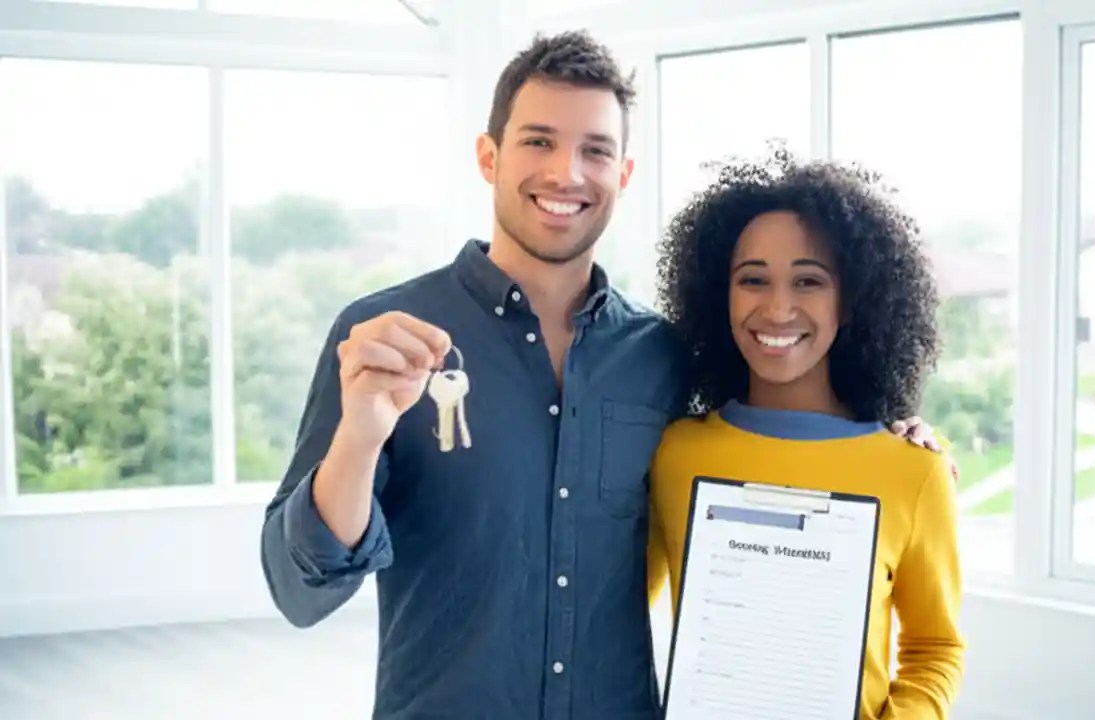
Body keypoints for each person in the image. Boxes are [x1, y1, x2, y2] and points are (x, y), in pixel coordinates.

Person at [259, 31, 941, 719]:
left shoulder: (665, 356)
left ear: (624, 173)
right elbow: (299, 590)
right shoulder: (383, 340)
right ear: (488, 157)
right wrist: (361, 436)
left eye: (595, 150)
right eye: (538, 141)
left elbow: (769, 439)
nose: (566, 173)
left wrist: (891, 430)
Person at [647, 147, 964, 719]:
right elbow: (619, 610)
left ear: (851, 302)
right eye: (752, 280)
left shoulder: (914, 471)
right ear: (721, 297)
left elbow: (935, 648)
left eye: (809, 281)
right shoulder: (674, 453)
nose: (778, 307)